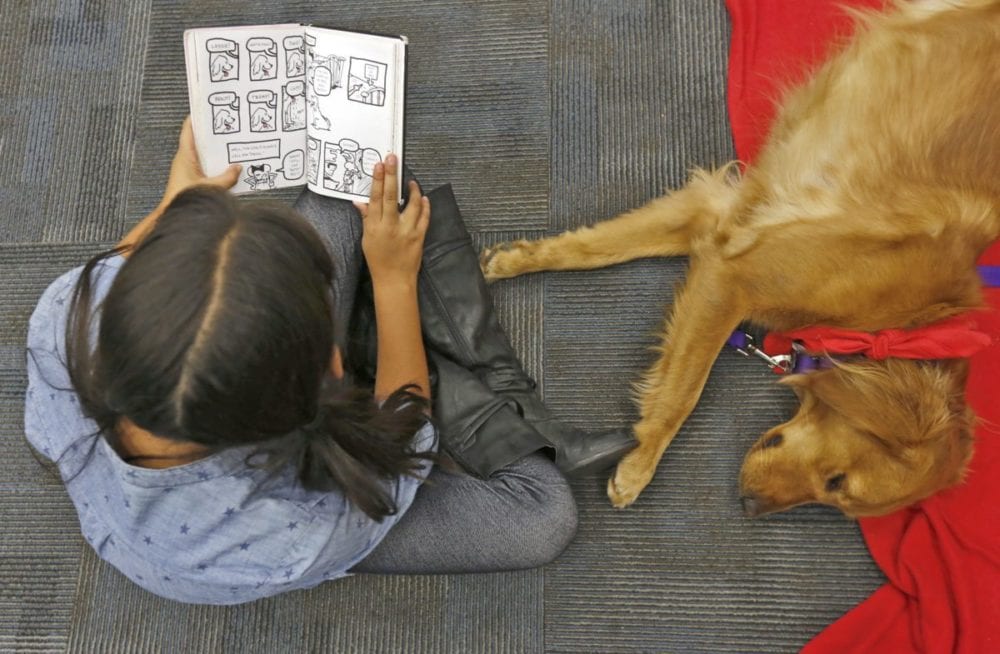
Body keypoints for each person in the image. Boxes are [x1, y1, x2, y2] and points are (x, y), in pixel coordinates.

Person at [24, 119, 633, 605]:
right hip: (257, 542)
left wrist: (178, 207)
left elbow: (125, 264)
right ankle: (484, 384)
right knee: (543, 518)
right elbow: (403, 437)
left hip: (175, 471)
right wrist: (393, 281)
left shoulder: (67, 311)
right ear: (319, 390)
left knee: (364, 175)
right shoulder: (296, 529)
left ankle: (452, 371)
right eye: (328, 347)